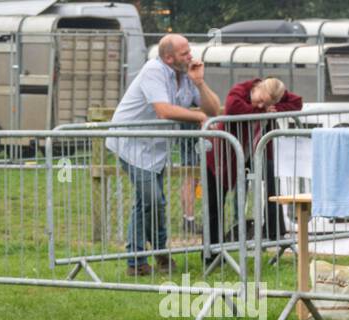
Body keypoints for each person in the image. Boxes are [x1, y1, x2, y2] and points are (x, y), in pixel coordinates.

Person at [106, 34, 220, 276]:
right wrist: (200, 117)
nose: (190, 56)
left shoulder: (187, 75)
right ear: (168, 58)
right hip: (132, 143)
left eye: (189, 51)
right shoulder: (153, 71)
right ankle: (145, 256)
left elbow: (214, 109)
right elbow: (164, 110)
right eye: (184, 53)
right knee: (152, 200)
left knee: (147, 202)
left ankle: (144, 259)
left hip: (156, 148)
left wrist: (199, 82)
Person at [204, 77, 302, 257]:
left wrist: (276, 109)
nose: (260, 105)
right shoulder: (241, 89)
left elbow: (297, 102)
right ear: (258, 88)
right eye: (260, 99)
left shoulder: (275, 92)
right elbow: (232, 107)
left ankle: (275, 232)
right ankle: (211, 252)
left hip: (254, 152)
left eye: (266, 103)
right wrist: (262, 111)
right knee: (215, 202)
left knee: (273, 186)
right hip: (223, 156)